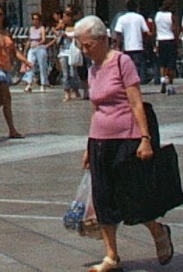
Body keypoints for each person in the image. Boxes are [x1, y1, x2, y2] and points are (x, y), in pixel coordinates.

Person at [73, 14, 175, 272]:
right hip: (100, 140)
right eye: (81, 46)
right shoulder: (92, 68)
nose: (84, 51)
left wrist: (145, 138)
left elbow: (135, 101)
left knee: (132, 197)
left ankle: (158, 231)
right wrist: (88, 146)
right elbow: (95, 108)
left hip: (127, 138)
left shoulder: (122, 62)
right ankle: (111, 256)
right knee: (103, 197)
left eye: (88, 45)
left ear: (103, 39)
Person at [0, 9, 24, 138]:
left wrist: (25, 61)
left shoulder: (6, 32)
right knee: (6, 98)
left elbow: (13, 51)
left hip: (6, 67)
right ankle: (11, 129)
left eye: (0, 14)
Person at [112, 1, 150, 87]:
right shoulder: (140, 17)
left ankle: (129, 84)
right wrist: (144, 43)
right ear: (136, 7)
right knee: (137, 67)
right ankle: (136, 84)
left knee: (127, 67)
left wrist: (118, 46)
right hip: (138, 46)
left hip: (127, 47)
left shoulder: (122, 18)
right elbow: (145, 32)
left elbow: (118, 33)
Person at [153, 0, 178, 95]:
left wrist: (154, 44)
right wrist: (178, 44)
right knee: (171, 63)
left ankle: (163, 80)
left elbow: (154, 31)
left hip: (160, 40)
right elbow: (175, 30)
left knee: (162, 63)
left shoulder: (157, 15)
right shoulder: (172, 16)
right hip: (170, 40)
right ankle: (170, 84)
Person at [24, 12, 52, 93]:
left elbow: (44, 39)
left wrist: (38, 43)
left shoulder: (42, 28)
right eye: (34, 19)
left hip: (40, 48)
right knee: (30, 65)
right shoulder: (31, 29)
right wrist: (26, 50)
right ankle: (29, 83)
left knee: (42, 66)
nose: (35, 21)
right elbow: (29, 40)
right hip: (32, 48)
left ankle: (43, 84)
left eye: (37, 19)